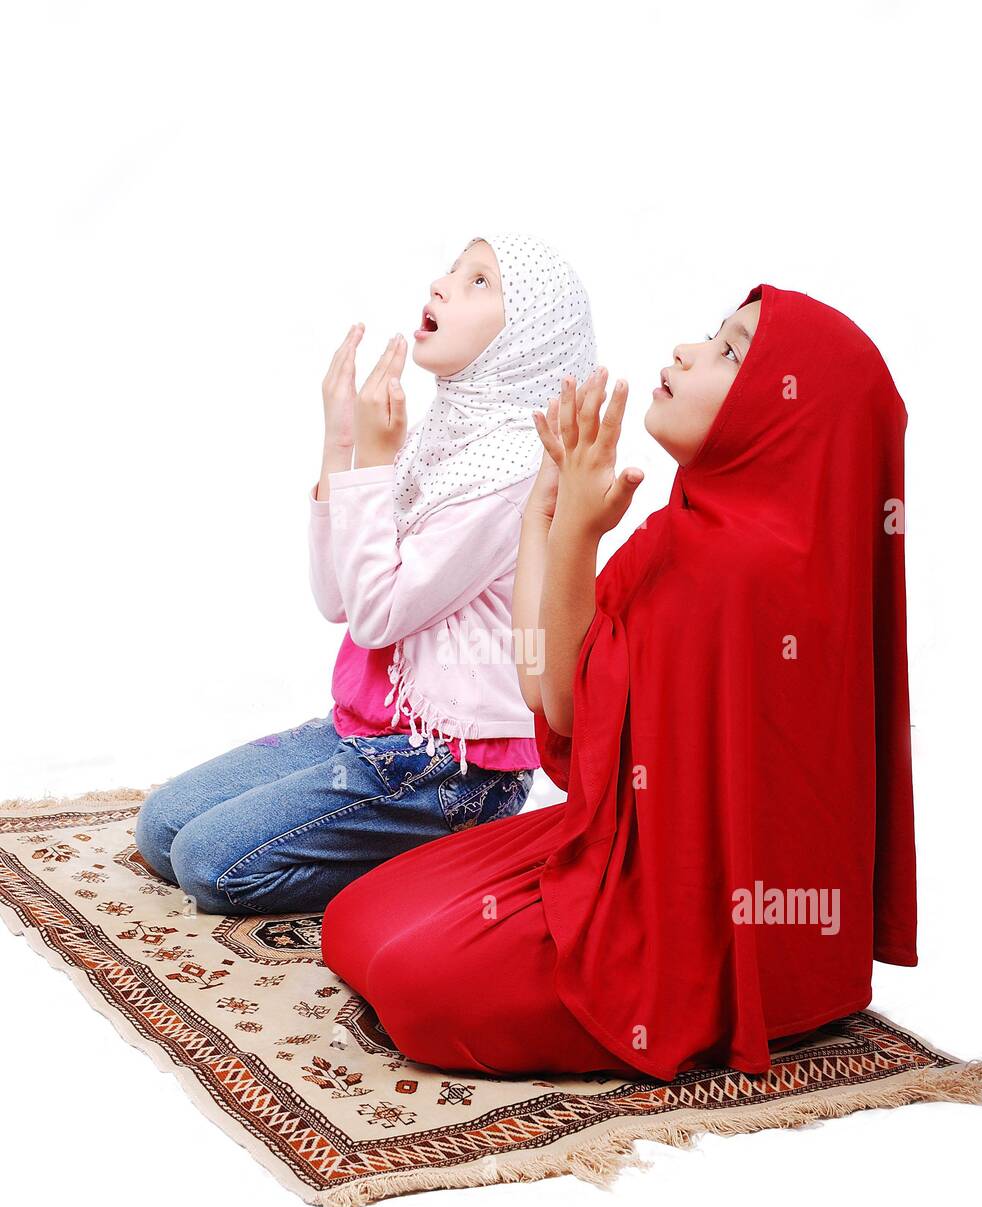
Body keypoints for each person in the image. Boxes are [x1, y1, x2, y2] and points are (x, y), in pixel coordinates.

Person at [321, 283, 917, 1081]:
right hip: (625, 847)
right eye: (713, 333)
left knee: (412, 984)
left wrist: (572, 536)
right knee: (355, 917)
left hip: (678, 913)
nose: (687, 351)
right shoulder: (692, 531)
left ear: (788, 417)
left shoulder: (731, 570)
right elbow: (545, 687)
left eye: (731, 352)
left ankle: (746, 992)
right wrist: (552, 515)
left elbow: (559, 704)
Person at [134, 232, 597, 917]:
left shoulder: (510, 473)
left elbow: (380, 614)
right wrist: (343, 444)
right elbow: (337, 600)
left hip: (447, 765)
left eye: (478, 282)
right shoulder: (441, 440)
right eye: (451, 269)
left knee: (210, 863)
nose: (441, 284)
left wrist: (376, 461)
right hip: (369, 731)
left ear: (525, 339)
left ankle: (446, 856)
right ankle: (375, 836)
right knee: (162, 827)